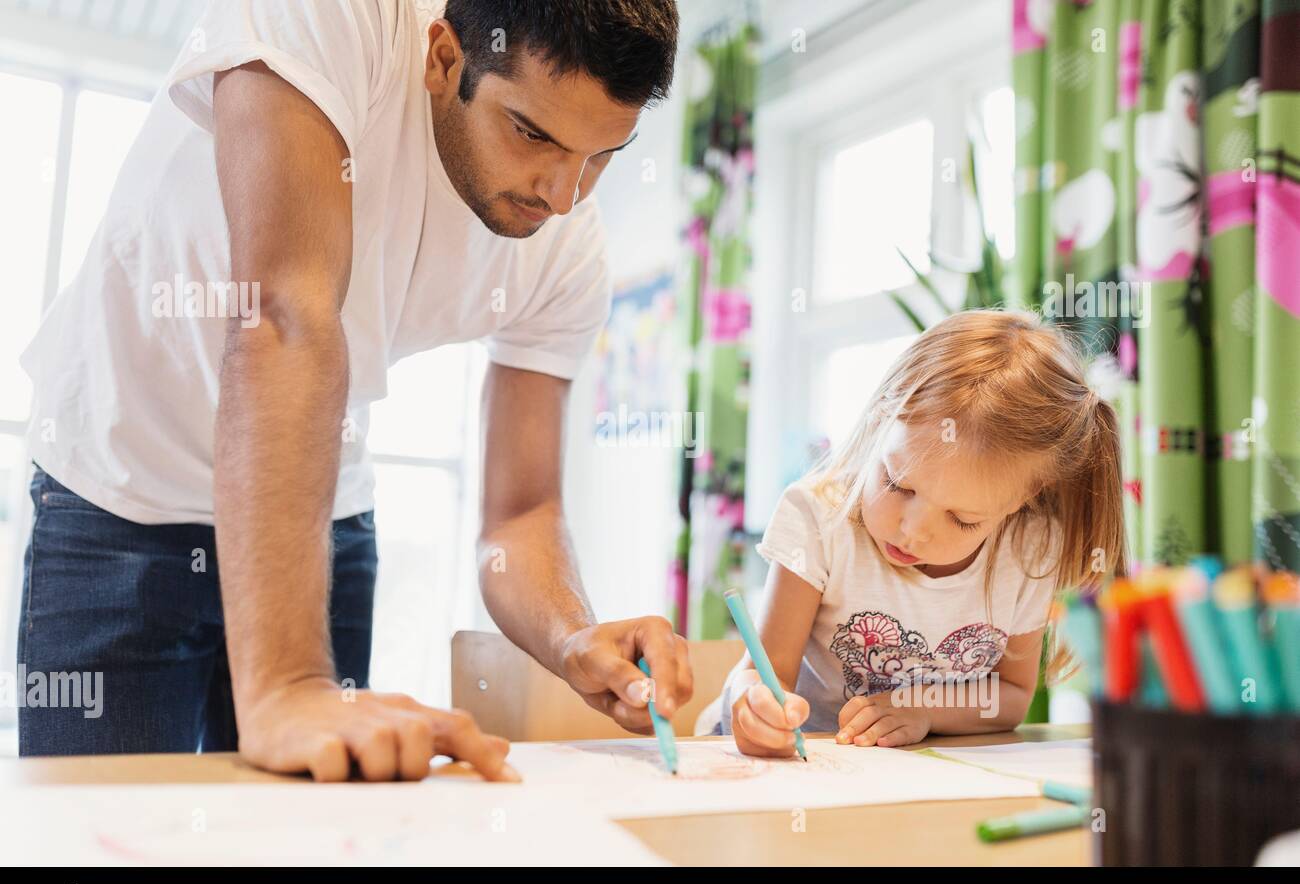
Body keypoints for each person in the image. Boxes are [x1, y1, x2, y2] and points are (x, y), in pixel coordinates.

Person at [17, 0, 692, 781]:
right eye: (533, 133)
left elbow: (521, 513)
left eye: (603, 153)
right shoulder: (331, 15)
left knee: (303, 844)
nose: (565, 194)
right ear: (442, 59)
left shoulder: (569, 245)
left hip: (319, 515)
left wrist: (574, 637)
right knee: (106, 859)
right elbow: (284, 314)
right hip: (120, 491)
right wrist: (288, 687)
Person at [721, 310, 1127, 755]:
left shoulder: (1030, 551)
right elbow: (764, 671)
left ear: (1023, 500)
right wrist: (751, 704)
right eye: (897, 483)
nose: (912, 531)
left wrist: (923, 710)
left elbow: (1011, 695)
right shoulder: (818, 519)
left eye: (962, 518)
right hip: (797, 765)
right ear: (881, 420)